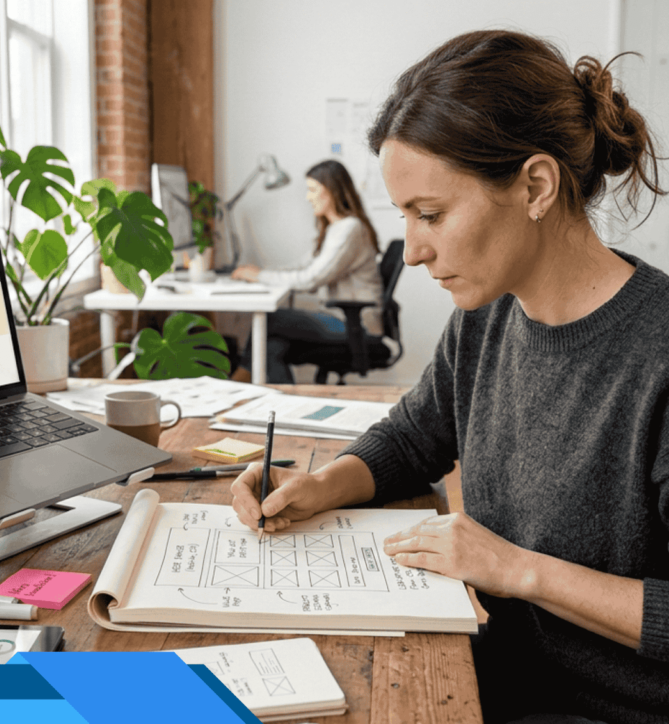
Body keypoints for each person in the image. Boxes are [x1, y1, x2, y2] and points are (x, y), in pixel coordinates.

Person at [230, 30, 668, 723]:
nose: (414, 249)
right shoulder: (489, 314)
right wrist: (321, 485)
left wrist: (516, 569)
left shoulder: (658, 354)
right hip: (479, 668)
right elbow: (412, 440)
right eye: (405, 217)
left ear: (535, 185)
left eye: (429, 214)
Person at [231, 160, 384, 384]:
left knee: (270, 321)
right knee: (271, 345)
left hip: (355, 323)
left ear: (332, 190)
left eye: (313, 190)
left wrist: (259, 277)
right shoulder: (335, 228)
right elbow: (304, 266)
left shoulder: (350, 229)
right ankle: (281, 407)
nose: (308, 197)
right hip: (339, 318)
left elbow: (311, 280)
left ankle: (237, 382)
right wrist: (260, 272)